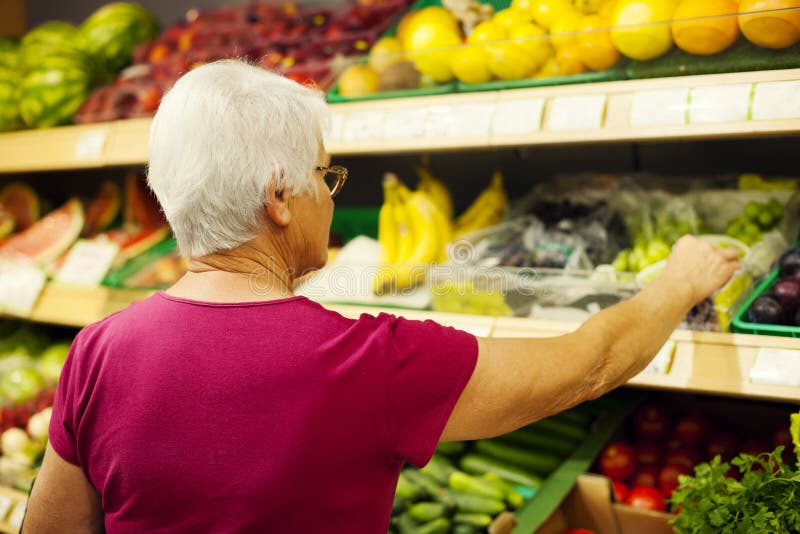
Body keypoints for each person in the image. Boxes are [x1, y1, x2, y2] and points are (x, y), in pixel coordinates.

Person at [23, 60, 740, 533]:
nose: (331, 200)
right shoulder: (369, 362)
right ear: (280, 196)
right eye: (325, 178)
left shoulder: (98, 352)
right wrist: (680, 281)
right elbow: (588, 365)